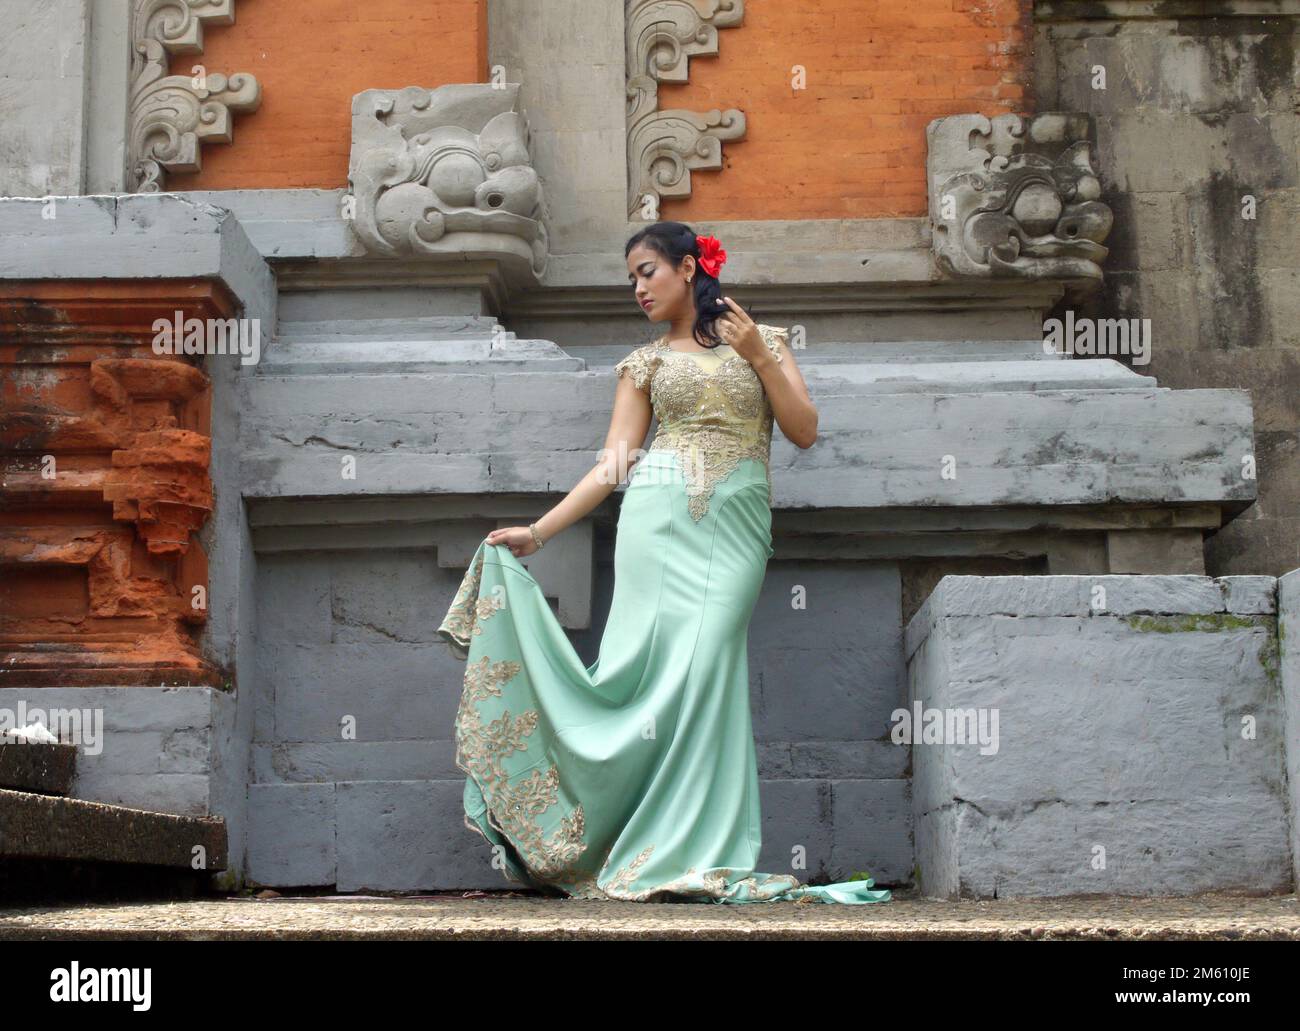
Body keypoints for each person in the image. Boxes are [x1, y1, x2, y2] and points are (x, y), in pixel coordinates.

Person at [437, 221, 891, 904]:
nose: (638, 288)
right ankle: (632, 843)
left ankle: (697, 849)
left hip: (734, 530)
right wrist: (541, 530)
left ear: (688, 267)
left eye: (647, 271)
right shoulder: (644, 363)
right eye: (631, 278)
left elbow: (803, 430)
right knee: (637, 674)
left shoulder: (762, 341)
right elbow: (614, 462)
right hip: (654, 524)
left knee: (707, 666)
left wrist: (759, 357)